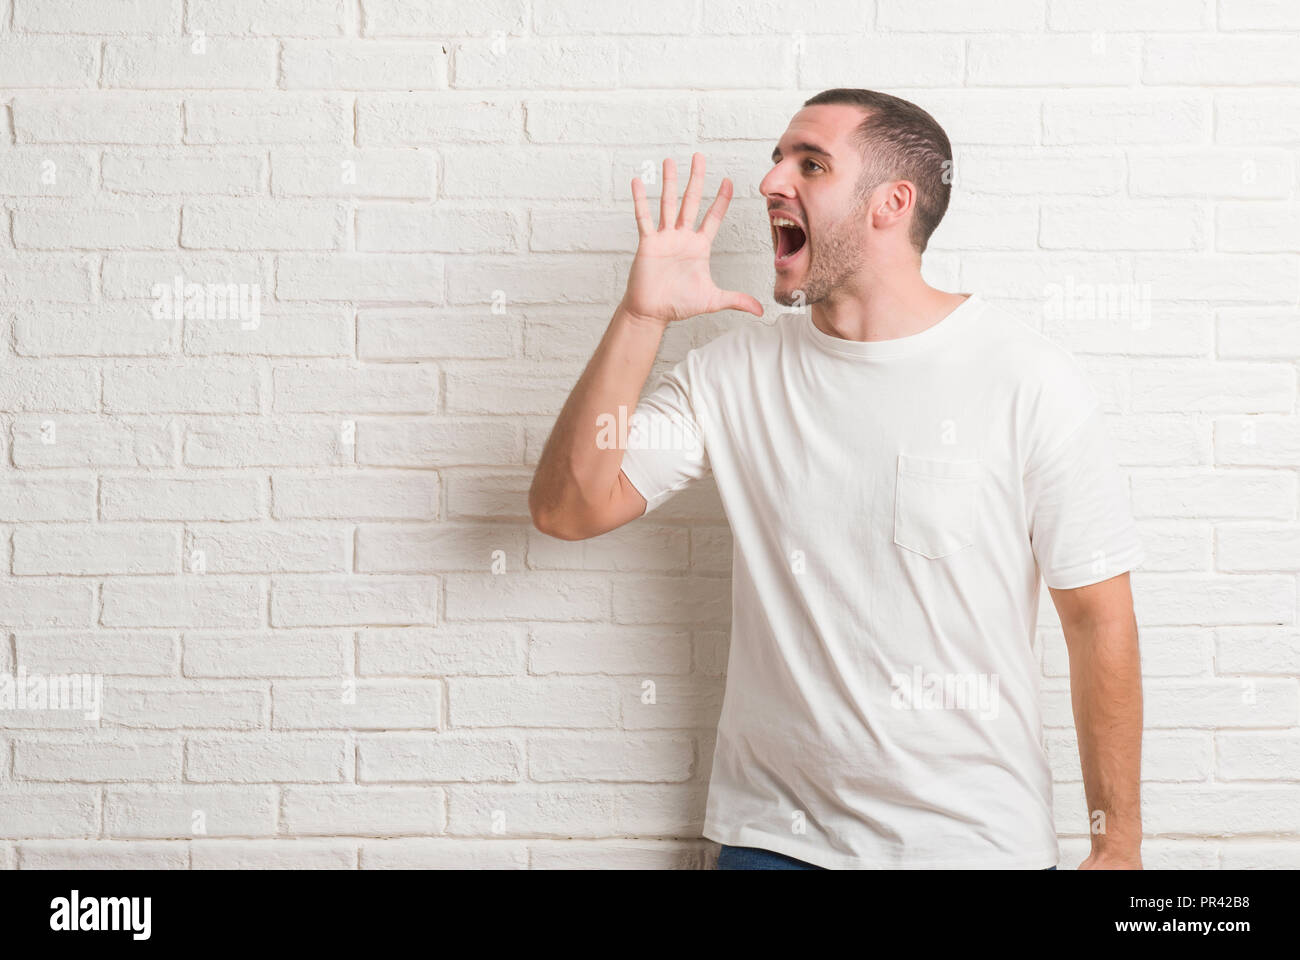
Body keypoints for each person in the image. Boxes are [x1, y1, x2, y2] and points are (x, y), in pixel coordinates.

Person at [529, 88, 1144, 870]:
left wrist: (1117, 842)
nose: (771, 183)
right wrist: (642, 318)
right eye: (777, 159)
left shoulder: (1027, 378)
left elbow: (1099, 619)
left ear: (891, 203)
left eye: (810, 163)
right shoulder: (733, 374)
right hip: (771, 844)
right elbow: (567, 508)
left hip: (975, 846)